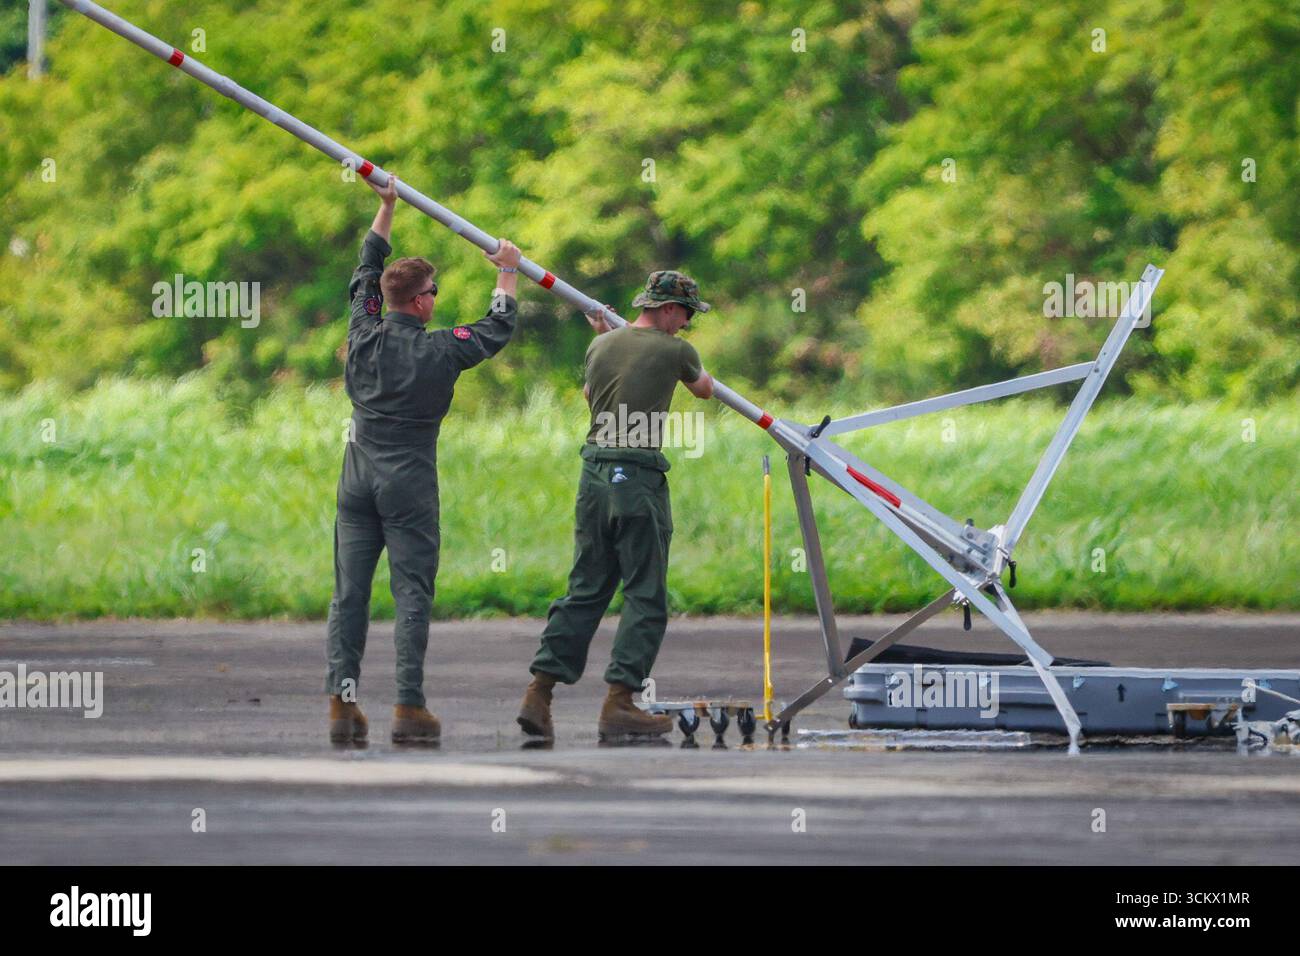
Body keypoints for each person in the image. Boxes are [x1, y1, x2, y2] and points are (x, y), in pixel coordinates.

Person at [326, 172, 522, 745]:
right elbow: (496, 327)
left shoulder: (361, 331)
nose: (437, 298)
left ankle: (343, 702)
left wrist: (386, 208)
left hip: (356, 477)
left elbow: (365, 269)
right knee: (412, 592)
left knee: (350, 594)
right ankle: (409, 708)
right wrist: (507, 271)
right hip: (409, 480)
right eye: (434, 290)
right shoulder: (441, 350)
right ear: (420, 301)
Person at [517, 271, 714, 742]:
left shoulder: (599, 347)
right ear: (668, 308)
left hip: (594, 476)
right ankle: (620, 702)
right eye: (685, 314)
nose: (685, 324)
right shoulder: (676, 351)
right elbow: (704, 388)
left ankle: (539, 692)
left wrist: (611, 336)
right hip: (637, 477)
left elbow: (593, 395)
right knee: (645, 593)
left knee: (586, 587)